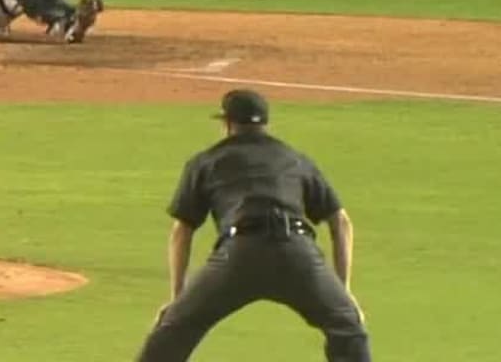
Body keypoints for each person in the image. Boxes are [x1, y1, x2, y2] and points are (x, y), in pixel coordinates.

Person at [134, 89, 370, 362]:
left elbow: (182, 232)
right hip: (297, 255)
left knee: (173, 332)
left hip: (239, 257)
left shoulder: (207, 161)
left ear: (227, 123)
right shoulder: (295, 158)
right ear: (265, 123)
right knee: (348, 328)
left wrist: (177, 299)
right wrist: (344, 294)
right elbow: (340, 222)